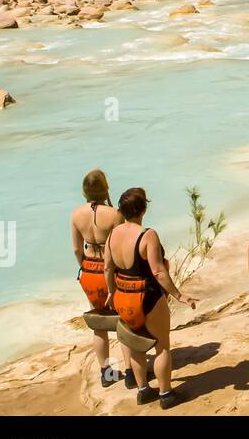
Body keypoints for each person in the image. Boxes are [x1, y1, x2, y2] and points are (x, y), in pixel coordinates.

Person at [107, 188, 197, 409]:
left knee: (136, 346)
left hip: (123, 295)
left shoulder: (113, 234)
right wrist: (179, 295)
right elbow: (158, 272)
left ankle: (143, 391)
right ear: (143, 209)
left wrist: (111, 293)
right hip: (147, 296)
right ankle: (166, 395)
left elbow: (108, 268)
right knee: (162, 346)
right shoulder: (147, 235)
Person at [70, 169, 124, 388]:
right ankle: (131, 374)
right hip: (110, 269)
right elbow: (120, 246)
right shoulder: (114, 214)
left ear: (84, 191)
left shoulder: (76, 215)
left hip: (89, 270)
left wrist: (85, 267)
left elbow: (76, 250)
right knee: (124, 322)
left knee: (98, 323)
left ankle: (107, 373)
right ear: (105, 189)